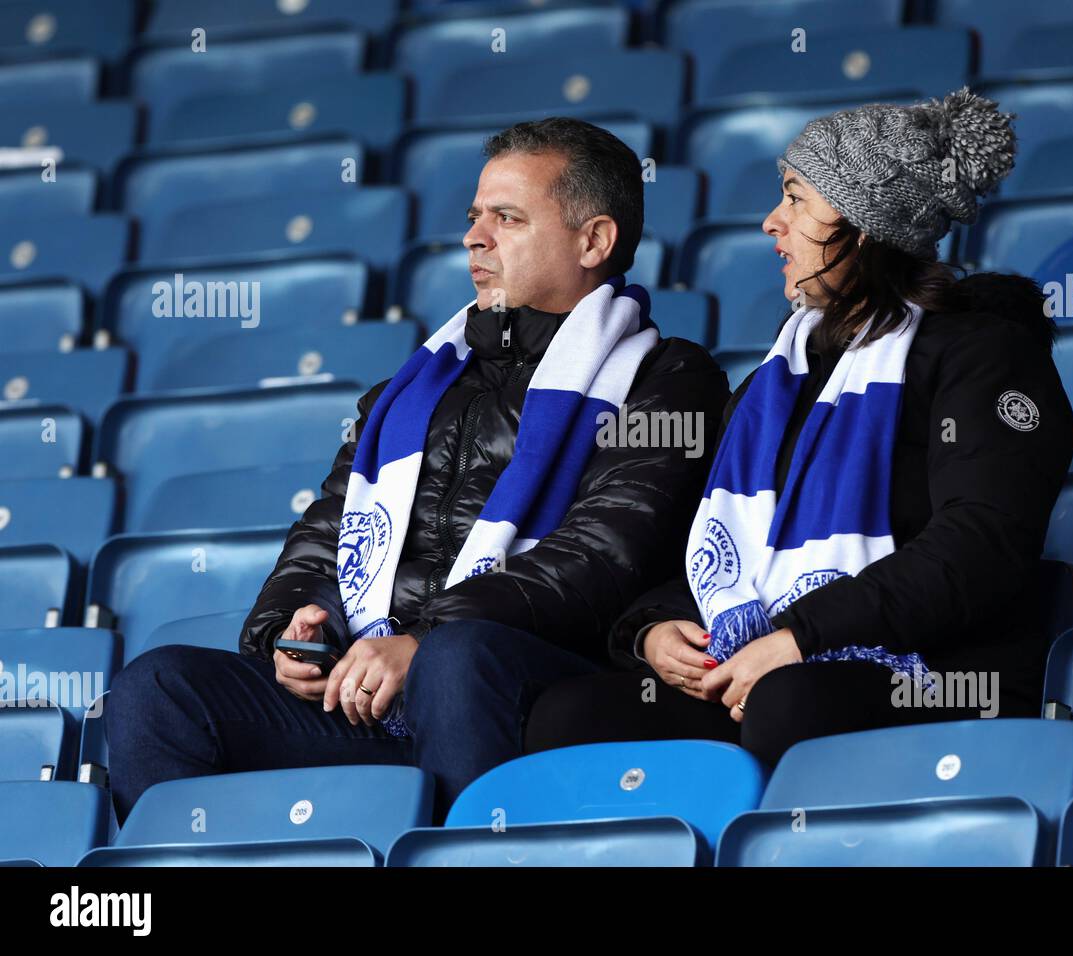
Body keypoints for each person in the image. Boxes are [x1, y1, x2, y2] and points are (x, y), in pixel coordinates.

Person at [105, 117, 730, 823]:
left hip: (527, 684)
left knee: (457, 662)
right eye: (473, 217)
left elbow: (602, 558)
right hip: (377, 686)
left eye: (507, 218)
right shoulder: (411, 389)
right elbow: (326, 532)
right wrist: (294, 627)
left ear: (594, 241)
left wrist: (422, 641)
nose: (475, 237)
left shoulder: (668, 378)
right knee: (158, 690)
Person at [524, 89, 1073, 769]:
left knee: (790, 701)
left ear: (865, 223)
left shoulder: (983, 354)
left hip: (934, 670)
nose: (770, 223)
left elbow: (981, 545)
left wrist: (798, 637)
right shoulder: (775, 382)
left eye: (795, 199)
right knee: (570, 715)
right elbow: (718, 545)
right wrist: (654, 631)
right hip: (769, 666)